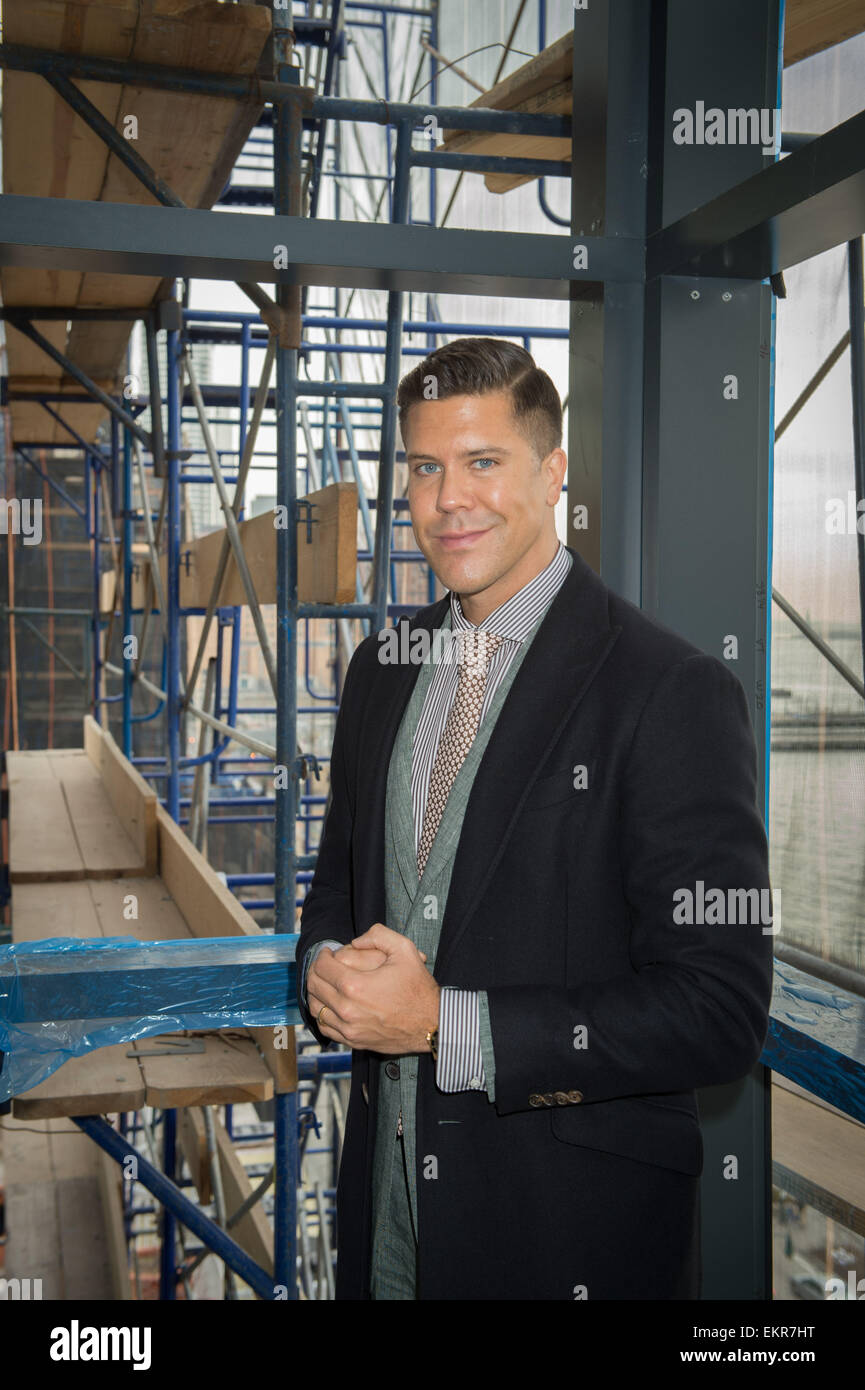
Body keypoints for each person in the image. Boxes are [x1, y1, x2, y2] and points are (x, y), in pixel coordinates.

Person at [297, 336, 774, 1301]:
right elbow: (339, 891)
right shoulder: (379, 669)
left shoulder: (668, 689)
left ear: (553, 473)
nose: (448, 500)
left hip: (562, 1238)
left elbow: (719, 1011)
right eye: (425, 468)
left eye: (482, 463)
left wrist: (445, 1027)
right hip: (387, 1223)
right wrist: (324, 967)